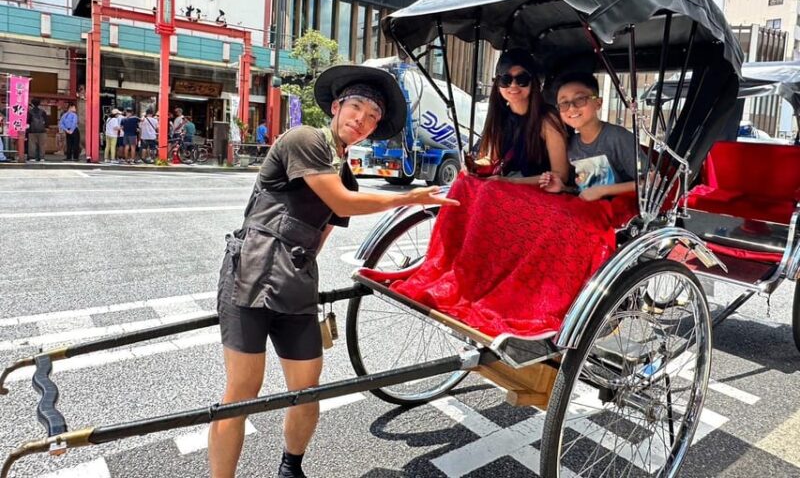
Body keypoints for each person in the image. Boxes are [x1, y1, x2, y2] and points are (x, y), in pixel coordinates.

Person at [208, 64, 459, 478]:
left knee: (307, 390)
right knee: (242, 392)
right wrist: (407, 199)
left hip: (295, 281)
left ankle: (291, 468)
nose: (361, 120)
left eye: (372, 117)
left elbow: (320, 235)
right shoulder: (304, 139)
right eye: (356, 108)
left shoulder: (345, 174)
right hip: (250, 273)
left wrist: (301, 271)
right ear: (337, 107)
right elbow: (341, 204)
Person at [540, 72, 638, 201]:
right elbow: (585, 189)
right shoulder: (572, 145)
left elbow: (651, 182)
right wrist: (563, 188)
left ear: (598, 103)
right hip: (589, 209)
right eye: (564, 103)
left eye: (580, 99)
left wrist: (603, 191)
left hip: (620, 210)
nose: (572, 108)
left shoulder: (617, 137)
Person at [474, 49, 569, 184]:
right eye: (505, 79)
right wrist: (474, 166)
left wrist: (510, 182)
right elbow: (492, 159)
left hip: (540, 192)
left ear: (533, 82)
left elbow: (560, 175)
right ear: (497, 84)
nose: (513, 85)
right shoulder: (500, 116)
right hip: (505, 188)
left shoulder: (547, 118)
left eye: (522, 79)